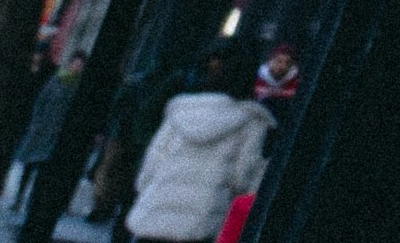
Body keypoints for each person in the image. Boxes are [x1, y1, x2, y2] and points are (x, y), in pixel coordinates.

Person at [114, 52, 277, 243]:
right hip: (203, 219)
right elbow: (242, 178)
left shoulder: (180, 110)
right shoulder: (251, 122)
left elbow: (152, 165)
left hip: (156, 211)